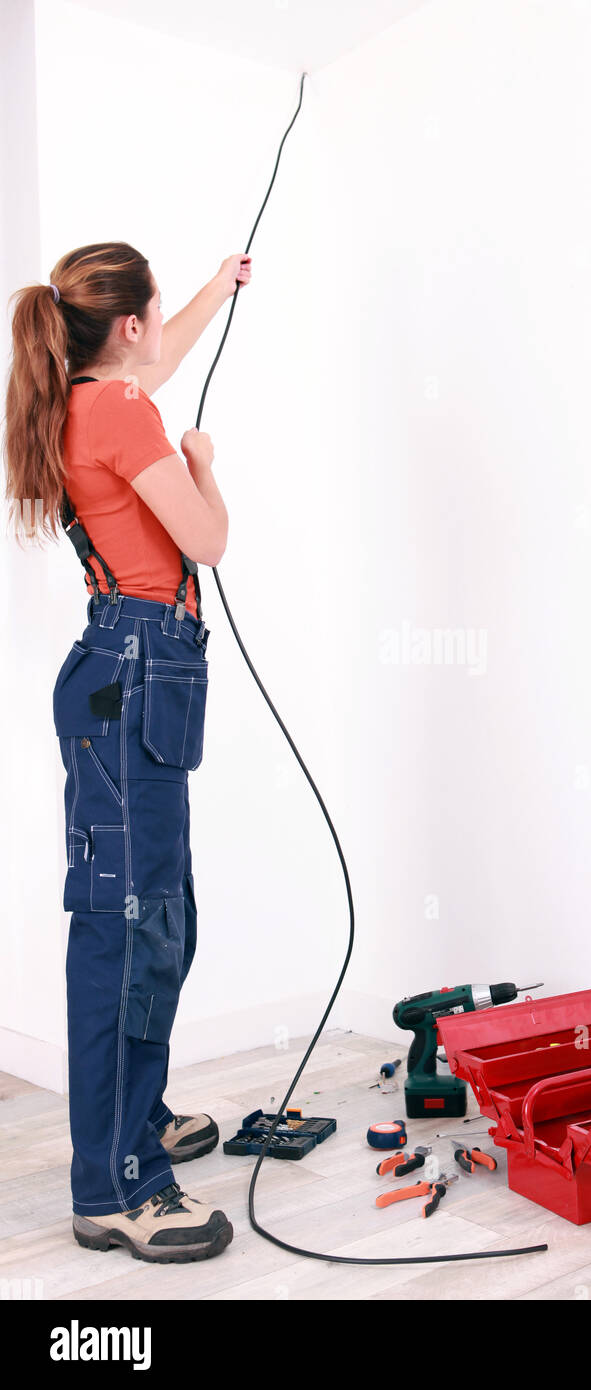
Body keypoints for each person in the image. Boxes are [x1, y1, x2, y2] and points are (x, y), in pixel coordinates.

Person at [2, 241, 251, 1263]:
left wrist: (213, 289)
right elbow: (205, 540)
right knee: (125, 928)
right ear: (127, 328)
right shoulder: (119, 412)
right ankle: (116, 1184)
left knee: (161, 920)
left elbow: (160, 358)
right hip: (132, 677)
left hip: (135, 673)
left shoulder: (93, 397)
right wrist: (202, 465)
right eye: (156, 320)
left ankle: (133, 1117)